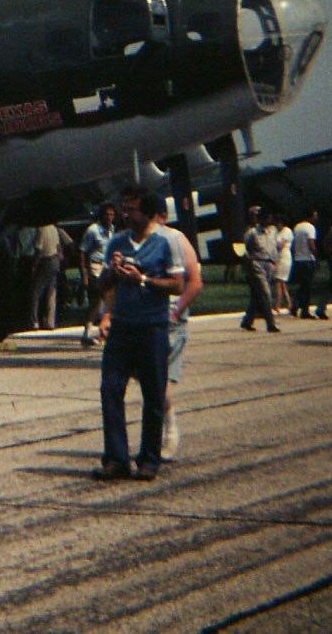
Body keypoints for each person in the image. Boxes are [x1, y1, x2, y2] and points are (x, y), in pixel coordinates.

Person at [92, 190, 184, 482]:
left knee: (153, 395)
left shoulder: (167, 241)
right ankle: (116, 459)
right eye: (124, 209)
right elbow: (103, 284)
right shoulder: (117, 242)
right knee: (110, 389)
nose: (125, 214)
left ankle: (149, 460)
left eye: (132, 209)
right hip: (122, 326)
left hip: (152, 327)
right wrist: (113, 272)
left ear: (148, 212)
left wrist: (142, 279)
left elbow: (178, 285)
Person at [144, 196, 203, 463]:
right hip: (144, 317)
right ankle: (161, 434)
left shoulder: (177, 239)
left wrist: (177, 309)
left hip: (170, 318)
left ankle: (169, 433)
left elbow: (195, 283)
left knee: (159, 382)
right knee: (150, 380)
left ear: (162, 217)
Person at [79, 205, 118, 347]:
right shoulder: (93, 231)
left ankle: (104, 332)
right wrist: (85, 272)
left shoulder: (112, 230)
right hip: (95, 266)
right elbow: (83, 251)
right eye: (107, 214)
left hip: (108, 266)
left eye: (112, 215)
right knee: (96, 299)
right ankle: (88, 331)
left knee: (109, 299)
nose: (109, 218)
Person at [240, 207, 280, 333]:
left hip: (269, 264)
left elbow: (273, 247)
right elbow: (242, 248)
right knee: (266, 293)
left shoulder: (272, 231)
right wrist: (248, 263)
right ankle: (271, 323)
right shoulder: (252, 233)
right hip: (256, 263)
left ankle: (247, 321)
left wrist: (275, 261)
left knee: (257, 296)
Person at [29, 222, 72, 330]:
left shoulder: (41, 229)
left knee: (36, 292)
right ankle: (50, 321)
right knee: (51, 292)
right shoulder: (53, 228)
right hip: (55, 260)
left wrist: (34, 265)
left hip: (45, 260)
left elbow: (38, 249)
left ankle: (34, 321)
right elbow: (58, 246)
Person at [289, 208, 319, 319]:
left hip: (298, 259)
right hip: (308, 259)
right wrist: (316, 256)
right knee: (307, 287)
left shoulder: (297, 227)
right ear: (310, 216)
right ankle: (304, 310)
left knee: (302, 285)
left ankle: (295, 305)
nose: (316, 218)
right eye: (315, 216)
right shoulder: (310, 228)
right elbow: (311, 244)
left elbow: (293, 244)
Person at [271, 212, 294, 317]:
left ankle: (277, 305)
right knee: (282, 283)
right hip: (277, 257)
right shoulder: (277, 232)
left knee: (278, 282)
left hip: (283, 258)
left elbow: (280, 245)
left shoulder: (287, 231)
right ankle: (289, 304)